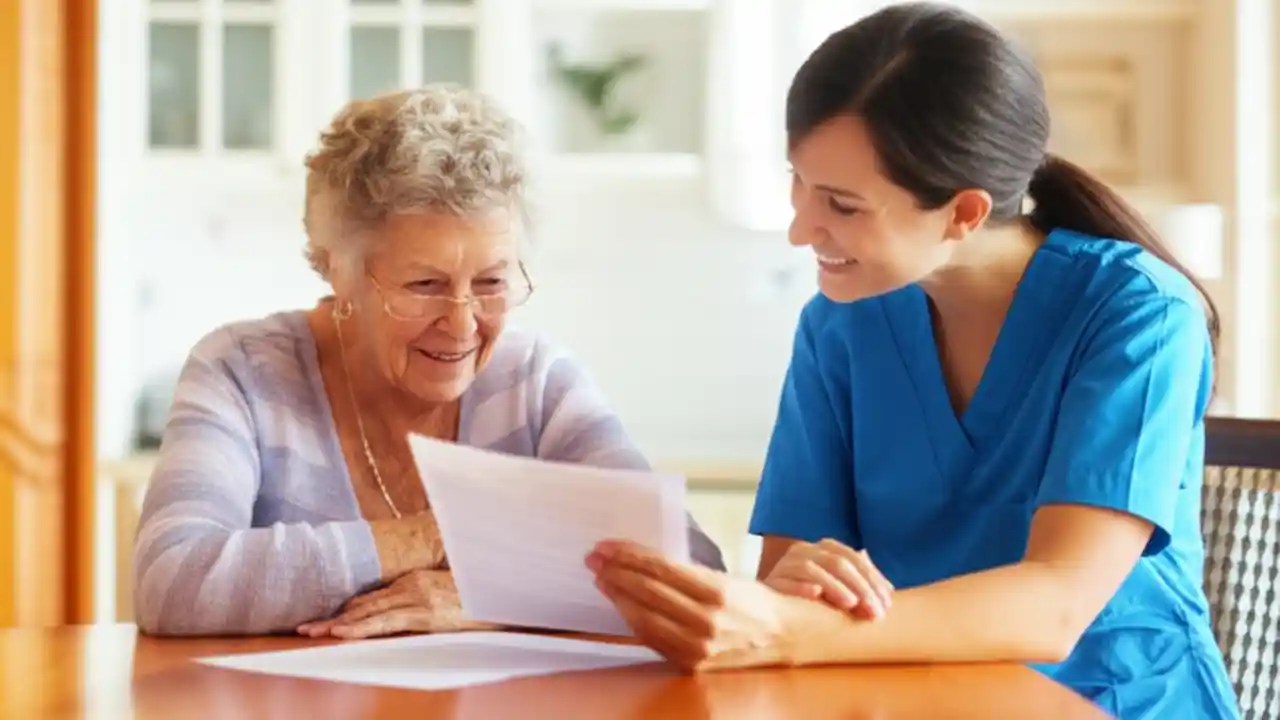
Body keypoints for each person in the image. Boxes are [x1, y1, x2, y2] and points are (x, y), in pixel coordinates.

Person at [586, 4, 1239, 718]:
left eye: (841, 203)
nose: (802, 227)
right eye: (799, 181)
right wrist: (798, 585)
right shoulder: (842, 322)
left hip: (1112, 702)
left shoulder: (1138, 313)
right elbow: (787, 574)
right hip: (908, 700)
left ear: (962, 213)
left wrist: (789, 625)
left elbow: (1055, 605)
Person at [133, 85, 724, 637]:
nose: (464, 324)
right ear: (335, 268)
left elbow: (689, 572)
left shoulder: (536, 385)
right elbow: (173, 580)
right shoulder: (241, 372)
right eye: (423, 284)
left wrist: (491, 599)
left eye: (491, 280)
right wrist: (426, 540)